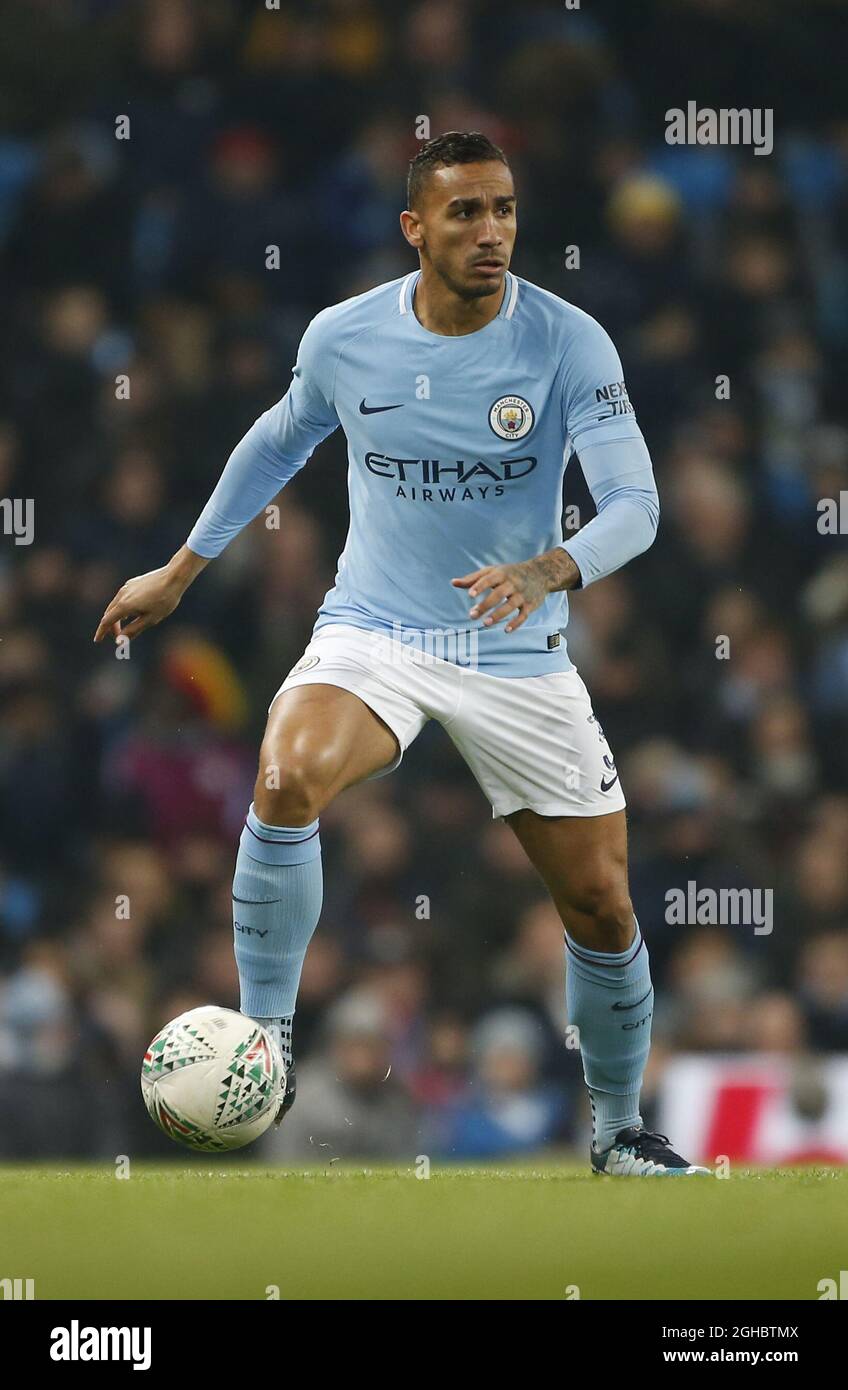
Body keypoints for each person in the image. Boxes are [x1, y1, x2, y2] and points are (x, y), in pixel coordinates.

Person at [95, 131, 710, 1177]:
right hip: (375, 629)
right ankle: (267, 1047)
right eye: (465, 212)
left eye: (504, 209)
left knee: (601, 903)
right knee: (287, 775)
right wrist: (179, 570)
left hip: (517, 647)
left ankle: (614, 1130)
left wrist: (550, 568)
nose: (490, 233)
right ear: (412, 229)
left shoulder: (568, 342)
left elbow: (637, 506)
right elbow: (279, 439)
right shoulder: (345, 338)